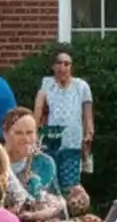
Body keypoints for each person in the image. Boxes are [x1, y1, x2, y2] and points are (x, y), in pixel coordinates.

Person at [33, 48, 94, 190]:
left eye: (67, 64)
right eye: (59, 63)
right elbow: (38, 110)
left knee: (70, 188)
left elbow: (88, 116)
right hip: (50, 142)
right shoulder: (47, 85)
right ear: (53, 66)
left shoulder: (81, 86)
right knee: (48, 185)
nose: (63, 67)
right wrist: (34, 133)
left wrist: (89, 133)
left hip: (72, 142)